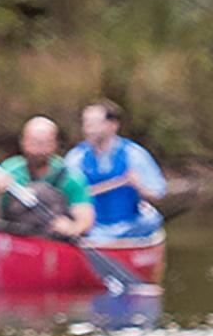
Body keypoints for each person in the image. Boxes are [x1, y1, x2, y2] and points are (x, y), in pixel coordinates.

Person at [0, 116, 94, 239]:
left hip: (53, 242)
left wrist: (72, 228)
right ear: (23, 141)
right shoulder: (7, 170)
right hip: (16, 239)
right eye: (33, 142)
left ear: (55, 144)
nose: (38, 149)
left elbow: (85, 219)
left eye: (44, 142)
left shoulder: (70, 177)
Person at [67, 100, 167, 240]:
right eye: (86, 123)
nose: (88, 129)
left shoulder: (134, 154)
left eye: (94, 124)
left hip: (130, 228)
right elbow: (63, 196)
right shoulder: (76, 157)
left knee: (152, 220)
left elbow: (158, 194)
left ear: (113, 126)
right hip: (92, 230)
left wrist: (138, 186)